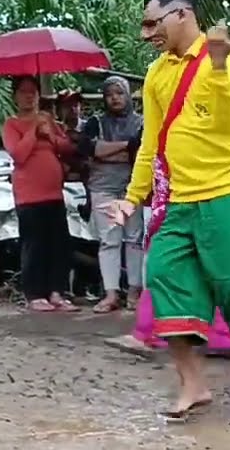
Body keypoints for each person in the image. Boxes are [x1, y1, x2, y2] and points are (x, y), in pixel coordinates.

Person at [105, 0, 230, 427]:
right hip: (179, 198)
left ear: (181, 13)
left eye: (152, 23)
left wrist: (220, 67)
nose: (147, 34)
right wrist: (132, 198)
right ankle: (192, 382)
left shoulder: (227, 61)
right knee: (162, 276)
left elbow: (228, 119)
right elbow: (152, 141)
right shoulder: (157, 72)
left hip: (227, 192)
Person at [2, 75, 77, 313]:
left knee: (58, 243)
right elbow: (18, 154)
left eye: (32, 91)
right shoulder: (12, 125)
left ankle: (57, 291)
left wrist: (51, 133)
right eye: (23, 91)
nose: (28, 96)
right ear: (15, 96)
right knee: (34, 245)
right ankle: (34, 293)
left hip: (53, 192)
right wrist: (34, 129)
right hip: (29, 194)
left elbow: (65, 146)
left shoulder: (47, 119)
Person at [78, 76, 144, 313]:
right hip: (103, 189)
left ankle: (135, 292)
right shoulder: (95, 122)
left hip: (131, 189)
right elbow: (91, 149)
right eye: (109, 94)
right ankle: (111, 294)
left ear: (128, 95)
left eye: (119, 93)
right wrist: (127, 146)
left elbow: (141, 154)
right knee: (109, 241)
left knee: (134, 239)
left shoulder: (142, 122)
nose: (114, 98)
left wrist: (107, 152)